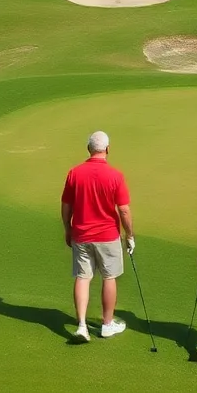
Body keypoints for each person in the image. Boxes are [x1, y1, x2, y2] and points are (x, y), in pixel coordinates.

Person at [60, 131, 135, 343]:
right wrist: (130, 235)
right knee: (109, 277)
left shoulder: (75, 173)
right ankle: (107, 324)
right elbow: (124, 211)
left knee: (83, 277)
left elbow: (66, 206)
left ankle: (82, 326)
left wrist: (68, 229)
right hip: (107, 235)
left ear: (88, 149)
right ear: (107, 149)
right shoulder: (115, 175)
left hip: (81, 234)